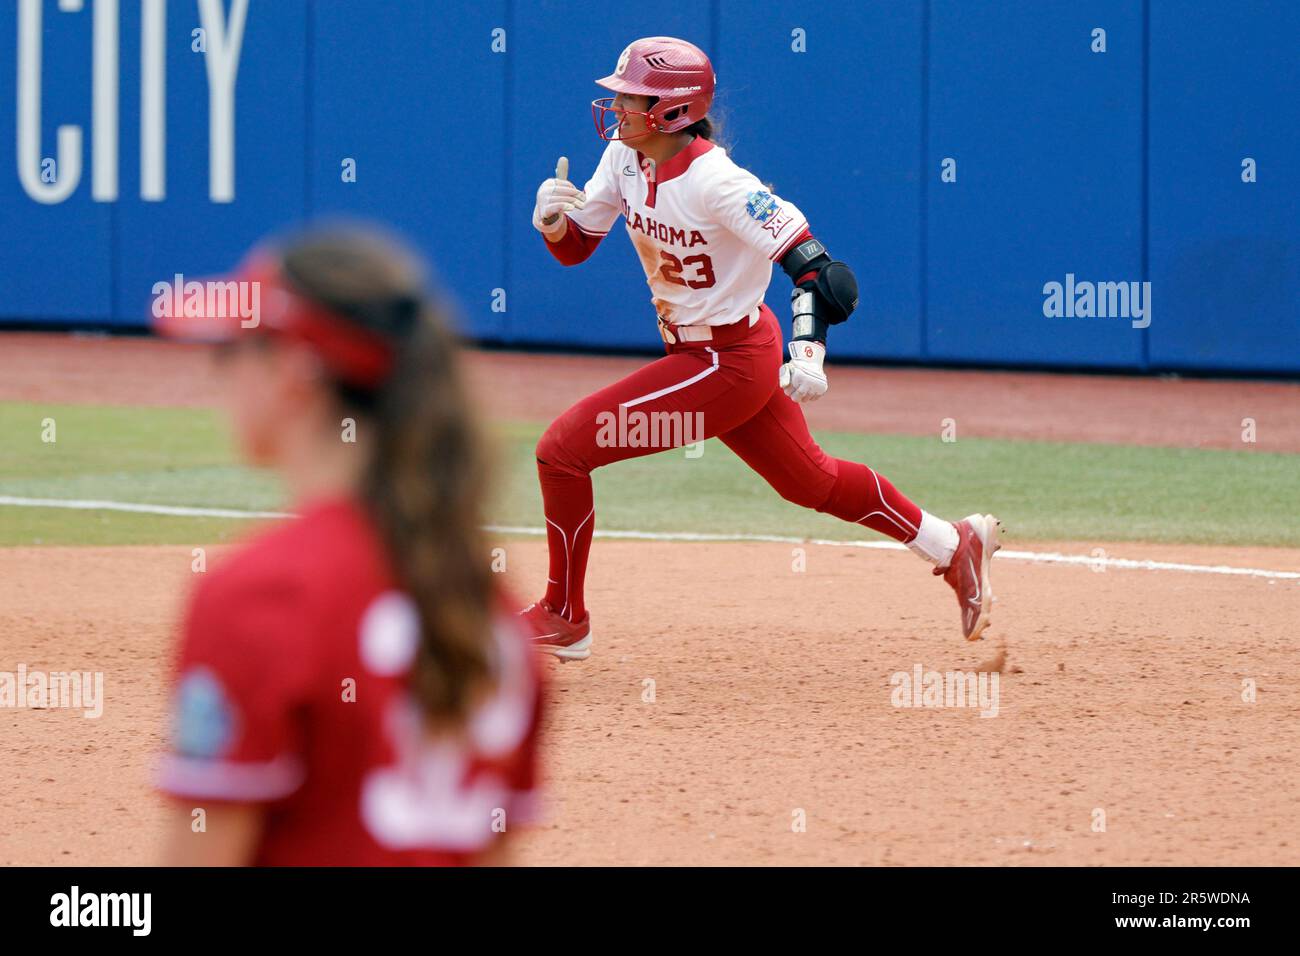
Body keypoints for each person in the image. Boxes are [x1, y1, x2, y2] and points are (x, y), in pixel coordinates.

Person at [522, 37, 1001, 662]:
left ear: (671, 109)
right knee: (814, 482)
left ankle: (565, 615)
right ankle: (952, 544)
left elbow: (822, 273)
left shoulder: (718, 182)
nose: (616, 108)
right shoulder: (623, 157)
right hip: (713, 356)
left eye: (630, 97)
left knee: (562, 452)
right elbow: (578, 245)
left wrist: (809, 348)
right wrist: (554, 221)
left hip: (726, 361)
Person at [154, 227, 541, 865]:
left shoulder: (257, 594)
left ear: (294, 371)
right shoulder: (489, 611)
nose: (216, 372)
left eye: (232, 351)